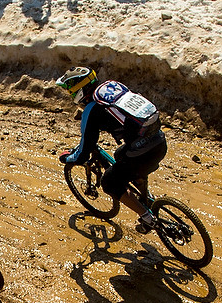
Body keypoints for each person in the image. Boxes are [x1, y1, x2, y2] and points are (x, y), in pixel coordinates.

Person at [54, 67, 167, 230]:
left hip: (142, 153)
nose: (71, 94)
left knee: (109, 182)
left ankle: (148, 218)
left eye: (71, 90)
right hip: (159, 140)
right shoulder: (112, 87)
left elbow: (84, 152)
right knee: (120, 155)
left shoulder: (92, 109)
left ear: (80, 89)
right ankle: (146, 196)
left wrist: (68, 158)